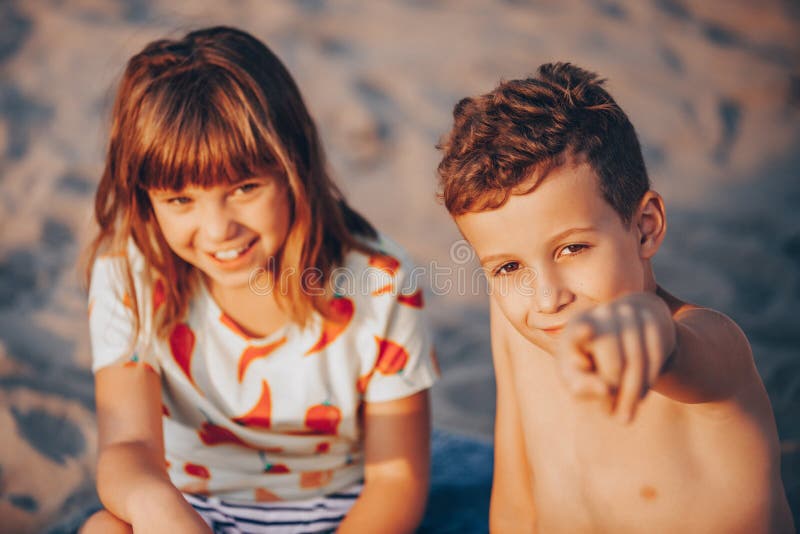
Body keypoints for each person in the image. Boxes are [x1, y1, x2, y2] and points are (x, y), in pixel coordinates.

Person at [80, 26, 438, 534]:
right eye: (180, 200)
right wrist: (161, 509)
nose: (218, 229)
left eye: (244, 188)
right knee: (103, 529)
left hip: (338, 514)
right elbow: (127, 448)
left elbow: (396, 483)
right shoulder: (129, 275)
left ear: (295, 166)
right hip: (191, 508)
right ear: (145, 198)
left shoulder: (380, 283)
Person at [437, 62, 794, 533]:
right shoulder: (520, 325)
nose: (548, 298)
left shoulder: (715, 351)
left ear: (645, 227)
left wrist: (640, 320)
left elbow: (666, 342)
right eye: (508, 266)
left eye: (573, 248)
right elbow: (518, 499)